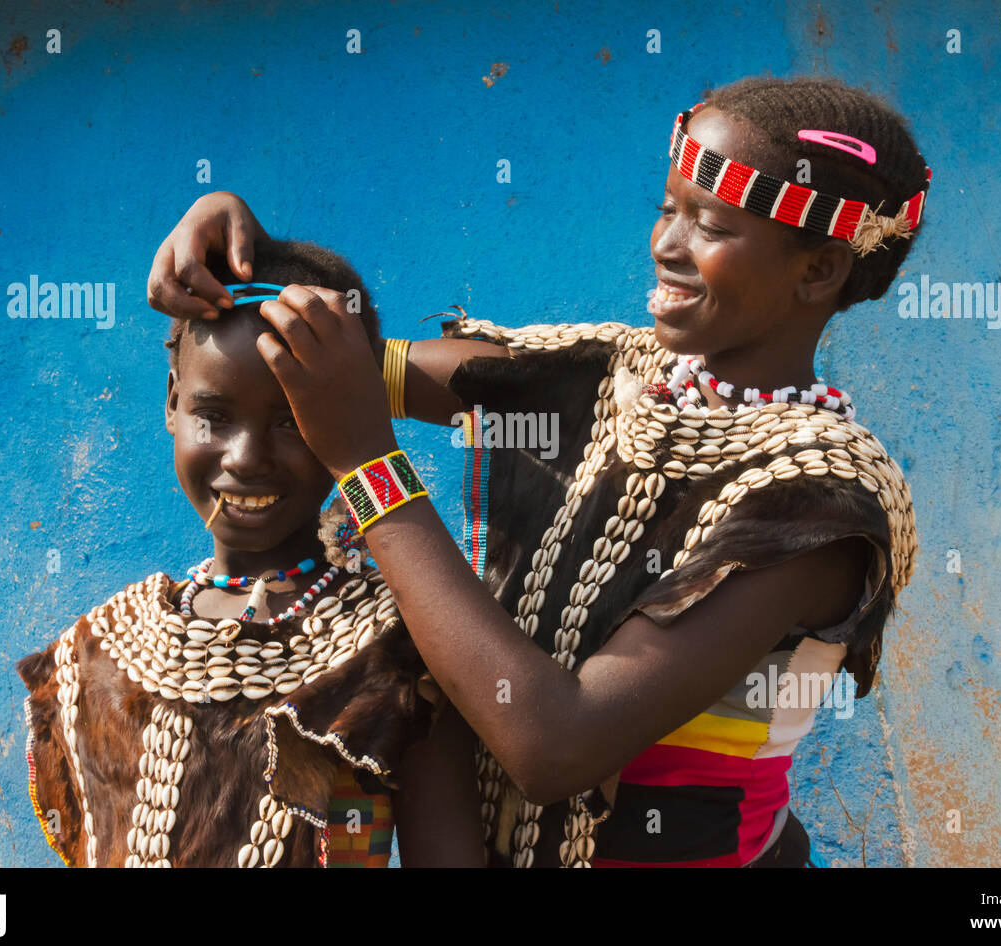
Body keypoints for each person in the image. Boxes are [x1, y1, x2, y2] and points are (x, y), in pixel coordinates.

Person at [148, 75, 928, 867]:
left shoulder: (819, 506)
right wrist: (247, 266)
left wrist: (366, 464)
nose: (665, 243)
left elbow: (555, 745)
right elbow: (330, 363)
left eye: (711, 224)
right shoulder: (606, 377)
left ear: (820, 270)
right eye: (668, 208)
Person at [17, 237, 484, 868]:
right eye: (213, 415)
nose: (245, 458)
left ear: (342, 418)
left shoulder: (395, 653)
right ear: (171, 404)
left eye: (292, 419)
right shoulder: (95, 655)